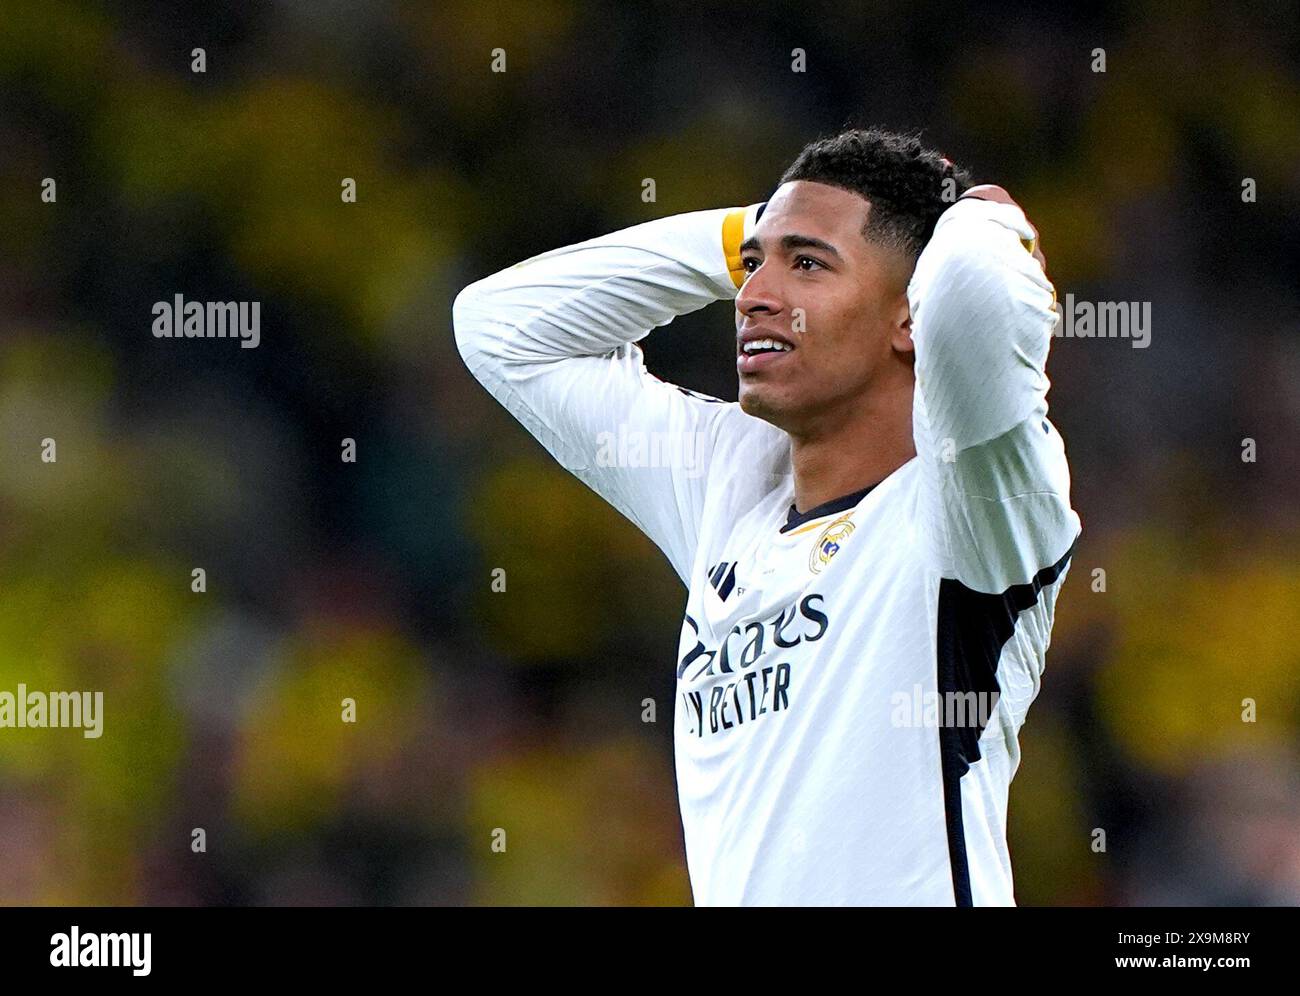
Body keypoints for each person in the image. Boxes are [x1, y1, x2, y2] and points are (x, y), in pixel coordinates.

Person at [453, 128, 1081, 905]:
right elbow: (499, 329)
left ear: (910, 317)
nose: (751, 296)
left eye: (808, 264)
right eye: (753, 266)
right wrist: (756, 230)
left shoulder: (968, 502)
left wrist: (987, 222)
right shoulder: (731, 486)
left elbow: (975, 291)